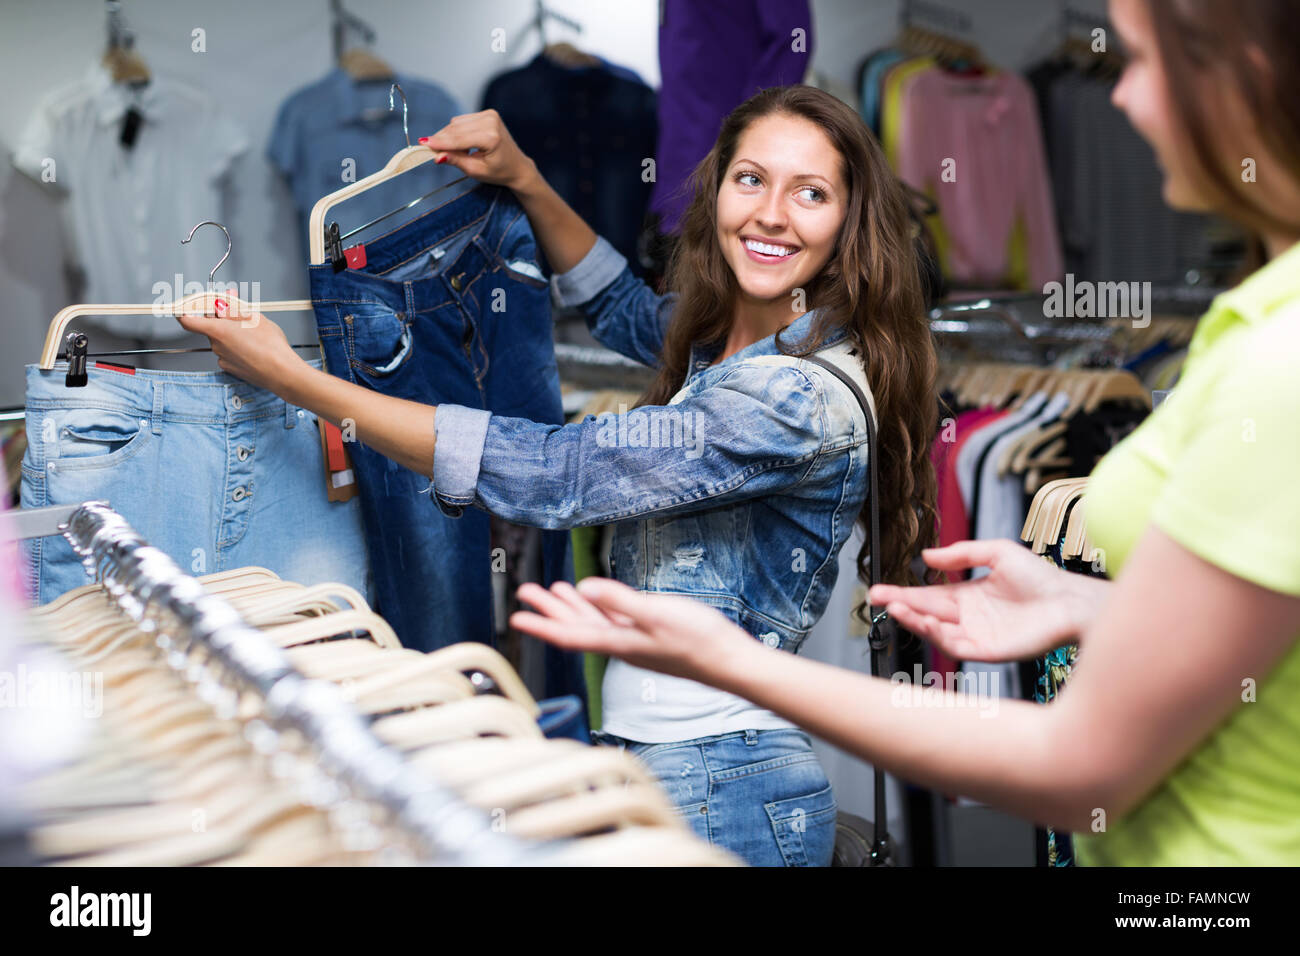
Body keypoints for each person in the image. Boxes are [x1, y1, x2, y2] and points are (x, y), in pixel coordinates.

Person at [510, 0, 1300, 866]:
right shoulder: (1258, 317)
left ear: (1242, 75)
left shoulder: (1278, 361)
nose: (1120, 100)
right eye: (749, 181)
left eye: (1141, 64)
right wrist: (1092, 604)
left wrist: (736, 666)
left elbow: (1085, 764)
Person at [177, 85, 941, 866]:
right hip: (673, 764)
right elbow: (626, 309)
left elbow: (553, 470)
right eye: (752, 180)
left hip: (723, 785)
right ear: (718, 191)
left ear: (851, 222)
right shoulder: (742, 336)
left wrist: (291, 378)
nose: (772, 214)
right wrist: (527, 179)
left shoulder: (793, 394)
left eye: (809, 193)